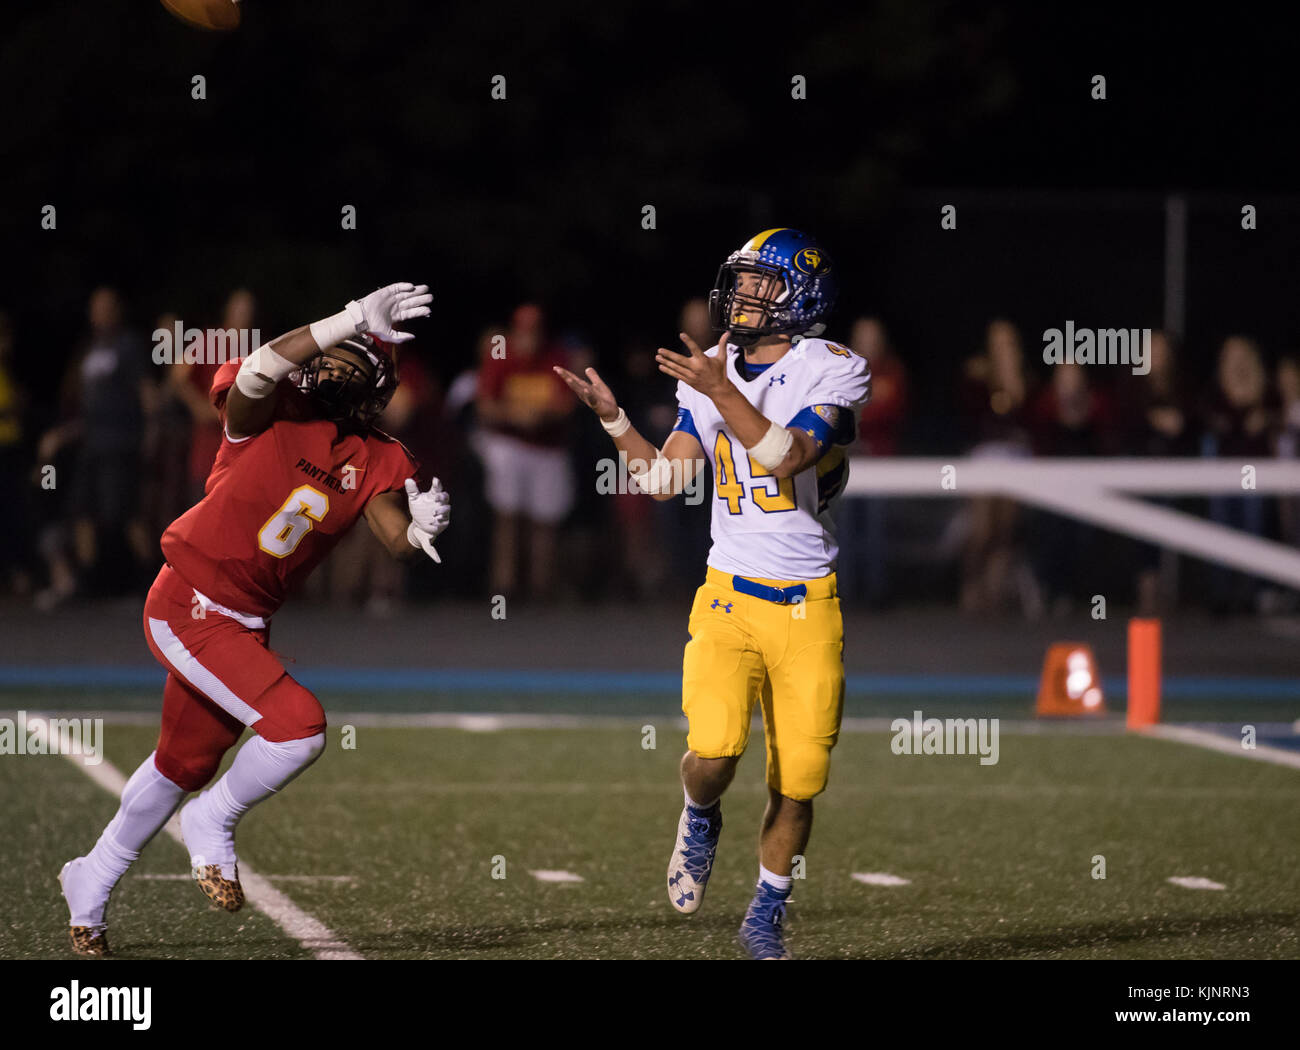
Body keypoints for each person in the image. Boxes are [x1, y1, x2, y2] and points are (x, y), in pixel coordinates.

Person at [57, 282, 448, 956]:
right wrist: (350, 317)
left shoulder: (377, 455)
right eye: (329, 356)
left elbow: (393, 540)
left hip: (244, 621)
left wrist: (419, 533)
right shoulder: (271, 407)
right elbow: (265, 364)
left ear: (370, 395)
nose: (328, 367)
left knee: (183, 761)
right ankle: (214, 819)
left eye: (349, 366)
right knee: (299, 730)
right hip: (190, 602)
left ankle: (90, 879)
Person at [556, 228, 870, 959]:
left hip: (808, 601)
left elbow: (785, 453)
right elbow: (667, 481)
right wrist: (613, 419)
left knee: (799, 782)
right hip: (728, 593)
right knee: (714, 752)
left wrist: (717, 386)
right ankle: (699, 815)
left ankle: (766, 909)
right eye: (743, 281)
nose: (743, 296)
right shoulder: (714, 369)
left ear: (803, 295)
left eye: (762, 284)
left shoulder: (835, 368)